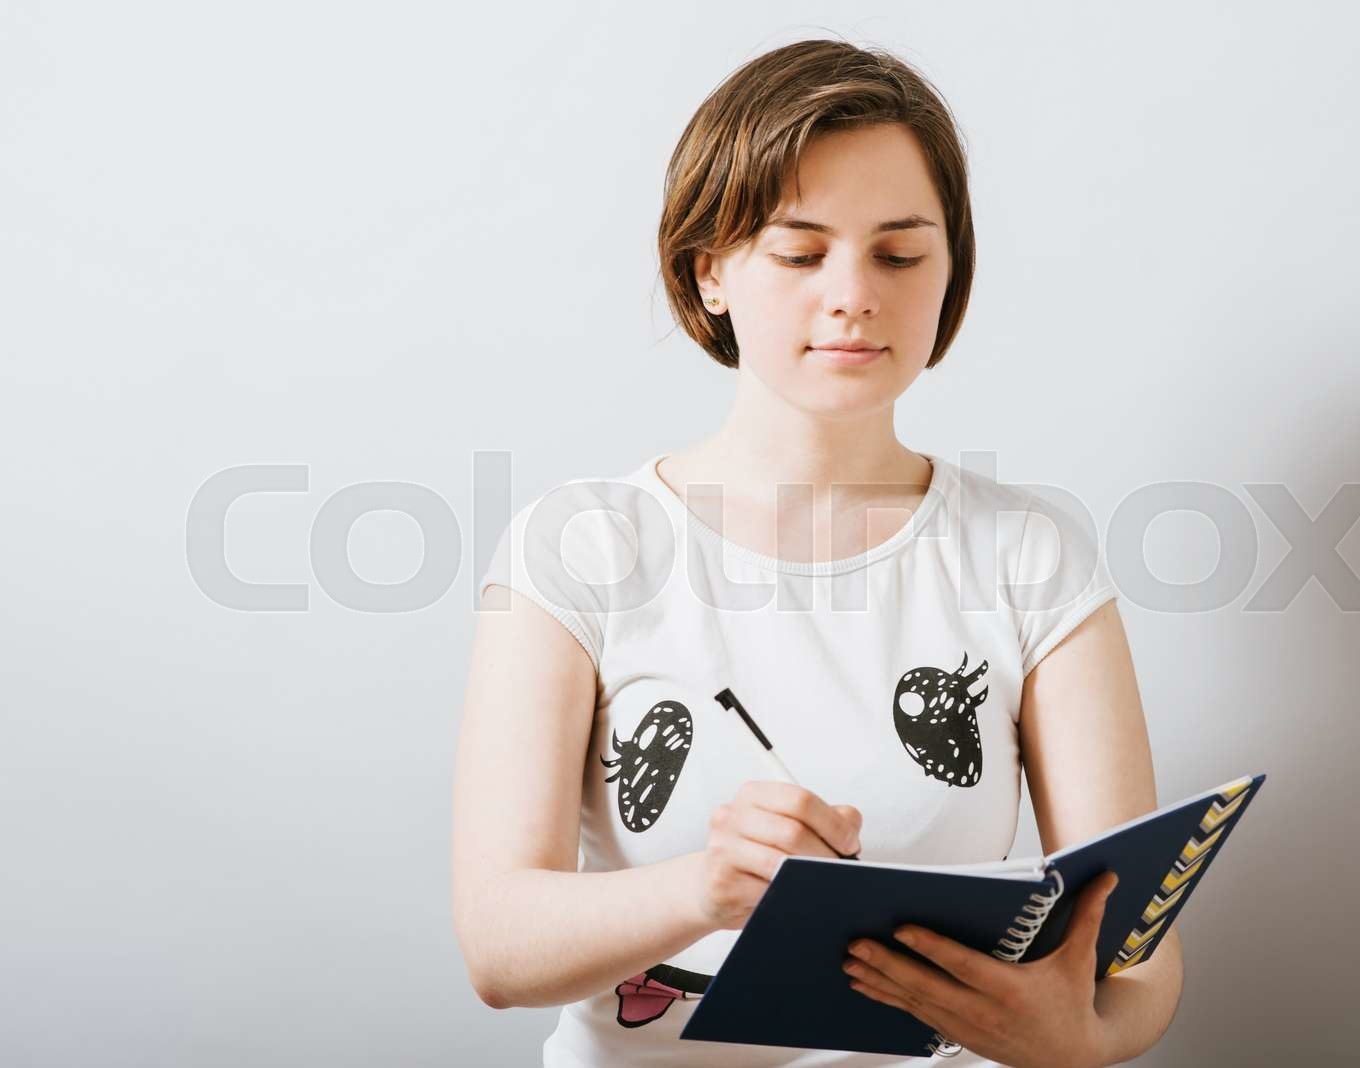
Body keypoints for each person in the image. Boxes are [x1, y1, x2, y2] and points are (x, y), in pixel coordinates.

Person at [452, 37, 1182, 1067]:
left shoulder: (1034, 553)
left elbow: (1139, 958)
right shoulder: (575, 547)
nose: (853, 295)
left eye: (899, 253)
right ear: (708, 272)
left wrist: (1082, 1038)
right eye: (798, 254)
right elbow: (496, 948)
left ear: (948, 274)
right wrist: (705, 887)